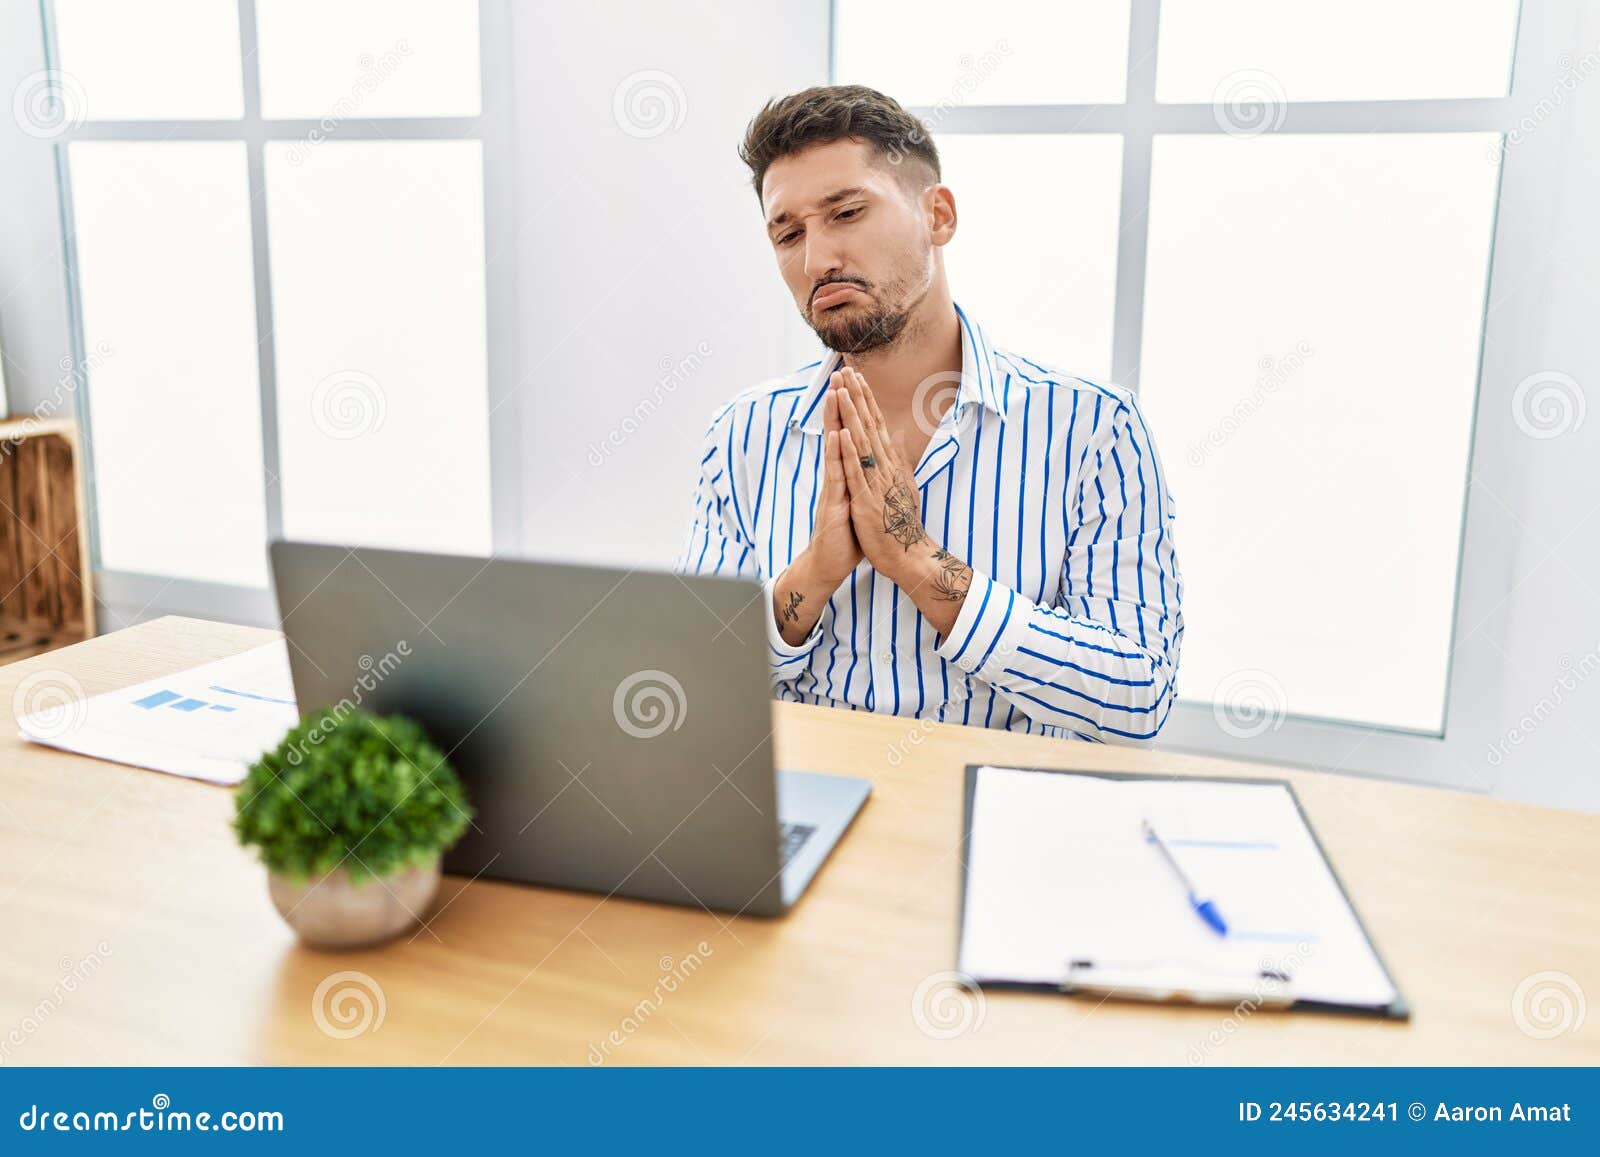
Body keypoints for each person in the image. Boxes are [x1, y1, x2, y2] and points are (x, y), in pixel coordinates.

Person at [677, 85, 1183, 743]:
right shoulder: (742, 436)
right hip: (805, 821)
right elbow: (694, 683)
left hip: (1000, 823)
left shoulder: (1095, 429)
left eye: (847, 212)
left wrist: (920, 563)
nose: (816, 259)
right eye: (788, 233)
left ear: (937, 215)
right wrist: (814, 574)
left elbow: (1136, 698)